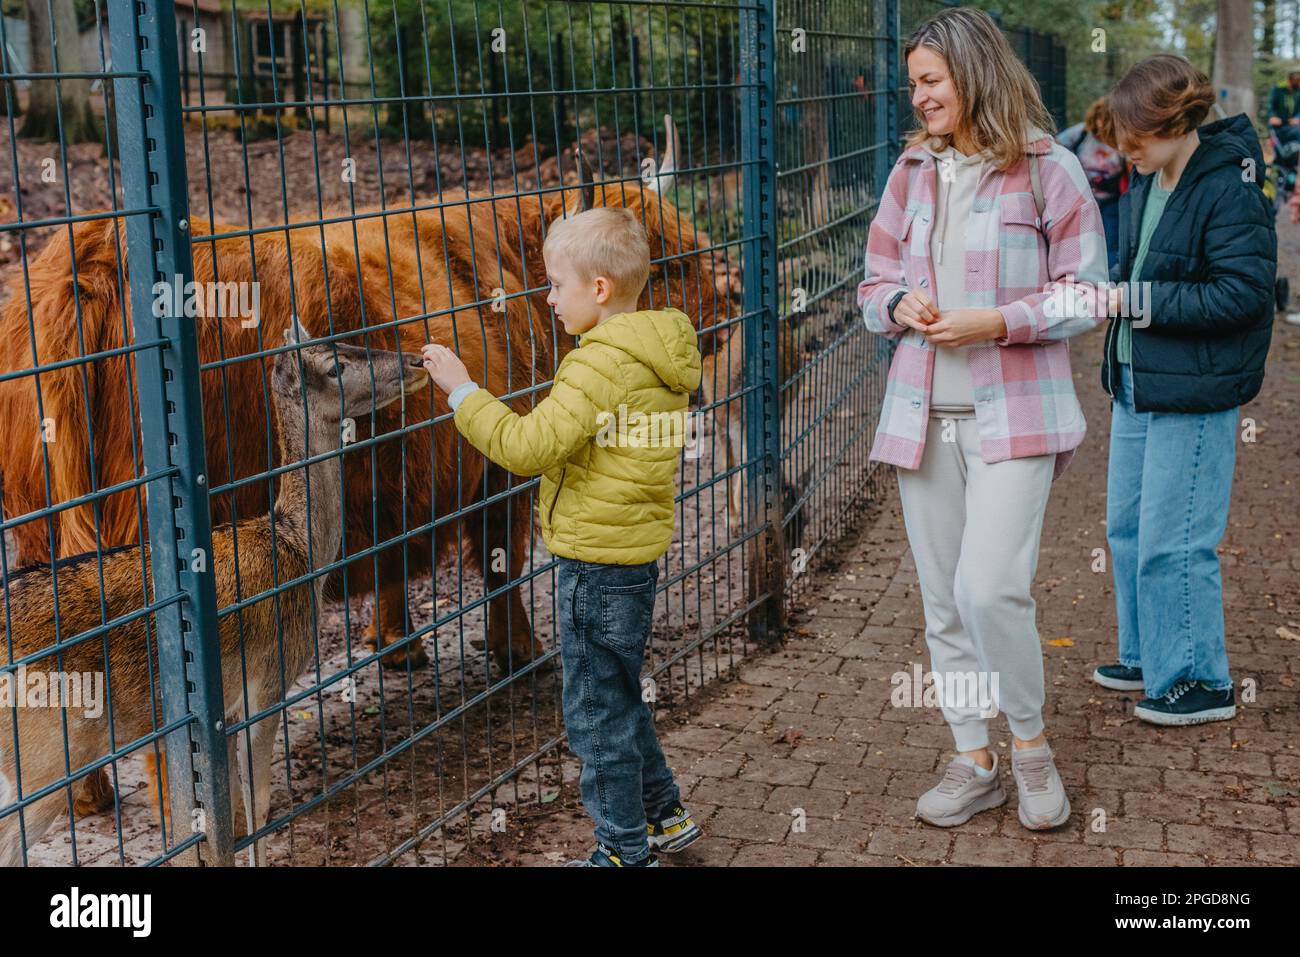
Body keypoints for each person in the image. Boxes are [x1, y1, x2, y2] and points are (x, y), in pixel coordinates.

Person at [858, 6, 1108, 831]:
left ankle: (1030, 746)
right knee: (943, 600)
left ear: (974, 73)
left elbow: (1087, 292)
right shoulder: (910, 172)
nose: (920, 97)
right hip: (922, 415)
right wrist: (898, 301)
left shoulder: (1049, 171)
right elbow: (870, 287)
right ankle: (975, 758)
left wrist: (995, 321)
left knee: (989, 586)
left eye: (931, 81)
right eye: (915, 84)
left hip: (1018, 416)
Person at [420, 206, 704, 866]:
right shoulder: (659, 353)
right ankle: (665, 815)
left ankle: (622, 850)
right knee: (621, 695)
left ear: (598, 289)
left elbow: (527, 445)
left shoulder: (595, 366)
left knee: (594, 716)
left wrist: (463, 391)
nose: (546, 298)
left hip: (591, 565)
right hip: (633, 559)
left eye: (554, 284)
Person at [1094, 55, 1275, 725]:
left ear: (1173, 125)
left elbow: (1243, 294)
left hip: (1194, 389)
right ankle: (1149, 653)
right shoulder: (1150, 177)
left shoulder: (1228, 185)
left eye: (1136, 139)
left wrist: (1130, 298)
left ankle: (1202, 678)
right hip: (1138, 378)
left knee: (1177, 537)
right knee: (1129, 529)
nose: (1126, 151)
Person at [1057, 98, 1127, 274]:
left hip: (1111, 200)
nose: (1103, 127)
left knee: (1110, 242)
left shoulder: (1121, 138)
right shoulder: (1080, 134)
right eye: (1102, 120)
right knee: (1083, 242)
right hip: (1084, 200)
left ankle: (1107, 283)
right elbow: (1056, 150)